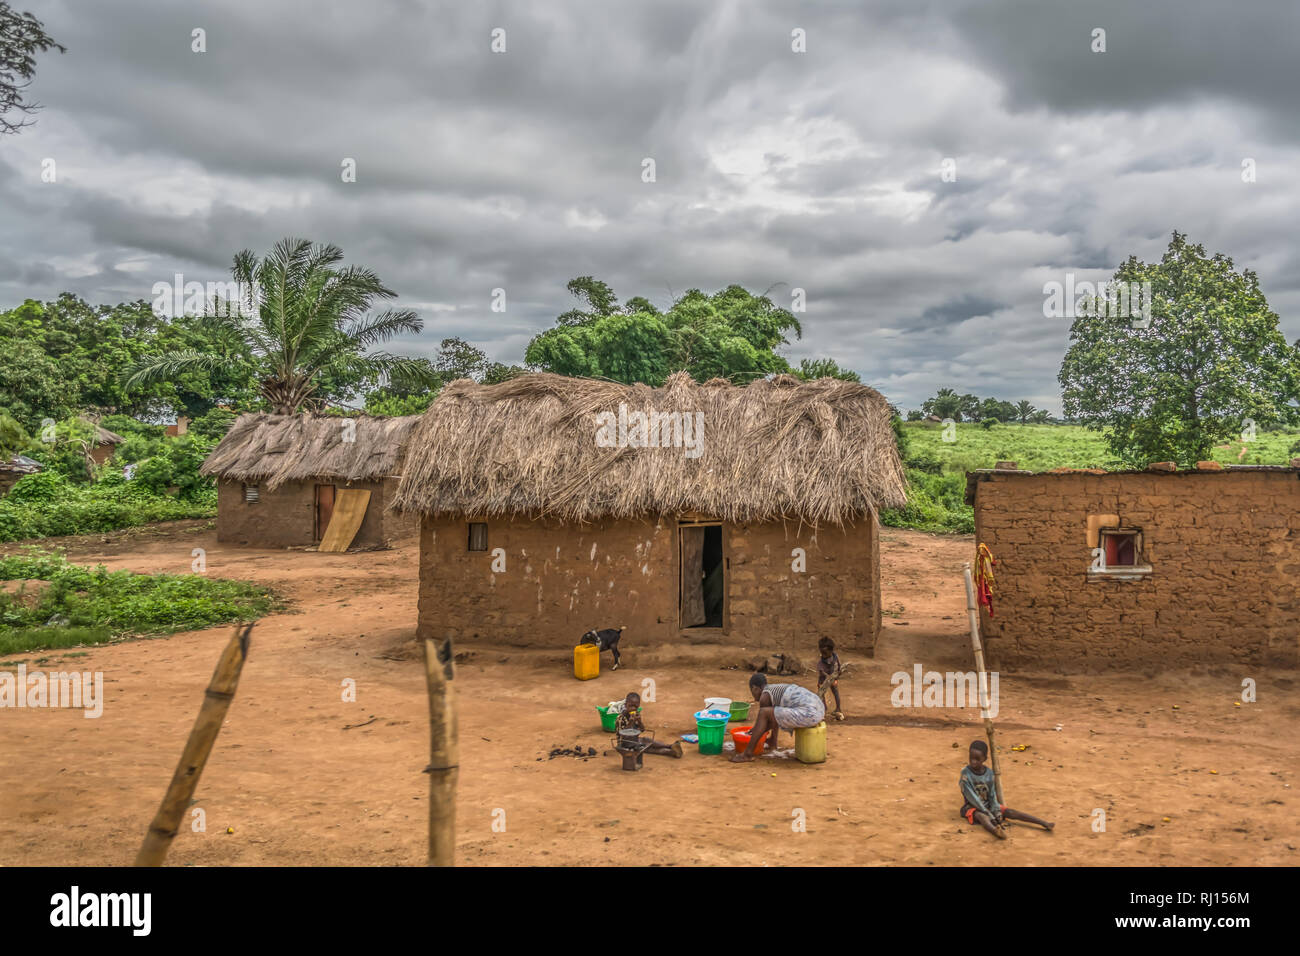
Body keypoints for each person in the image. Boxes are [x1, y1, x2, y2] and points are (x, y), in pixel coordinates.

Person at [959, 740, 1053, 838]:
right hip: (972, 807)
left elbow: (992, 795)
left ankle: (1043, 823)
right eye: (971, 758)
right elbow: (973, 798)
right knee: (982, 817)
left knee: (1010, 812)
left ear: (984, 759)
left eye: (977, 759)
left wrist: (996, 811)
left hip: (988, 805)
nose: (973, 762)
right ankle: (995, 831)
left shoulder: (989, 774)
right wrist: (990, 815)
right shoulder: (965, 774)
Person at [730, 673, 825, 762]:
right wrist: (761, 732)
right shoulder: (772, 690)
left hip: (810, 713)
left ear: (755, 688)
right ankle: (773, 742)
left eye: (752, 691)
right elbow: (774, 717)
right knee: (772, 712)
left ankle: (747, 754)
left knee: (763, 713)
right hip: (819, 708)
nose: (753, 695)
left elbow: (765, 722)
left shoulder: (765, 697)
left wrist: (754, 731)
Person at [615, 692, 682, 758]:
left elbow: (642, 730)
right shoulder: (621, 718)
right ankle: (671, 752)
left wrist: (639, 721)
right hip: (624, 744)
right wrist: (631, 722)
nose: (633, 708)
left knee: (647, 740)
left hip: (634, 740)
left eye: (636, 706)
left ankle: (670, 746)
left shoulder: (636, 715)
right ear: (625, 705)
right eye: (631, 706)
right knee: (646, 748)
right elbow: (622, 735)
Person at [816, 637, 844, 721]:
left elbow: (838, 668)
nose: (823, 655)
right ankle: (824, 709)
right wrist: (821, 682)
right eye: (822, 652)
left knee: (835, 691)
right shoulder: (821, 662)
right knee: (821, 693)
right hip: (823, 678)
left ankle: (838, 708)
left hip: (832, 676)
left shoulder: (835, 658)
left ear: (831, 651)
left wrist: (836, 679)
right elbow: (821, 672)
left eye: (825, 653)